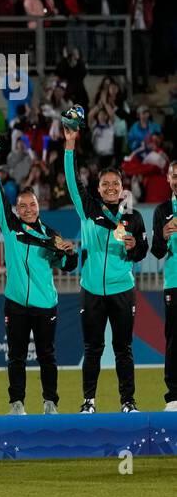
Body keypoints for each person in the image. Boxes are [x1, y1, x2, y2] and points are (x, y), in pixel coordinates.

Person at [0, 155, 79, 415]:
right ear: (16, 208)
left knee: (47, 357)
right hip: (15, 304)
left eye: (32, 204)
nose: (27, 209)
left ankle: (50, 402)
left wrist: (70, 254)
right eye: (22, 205)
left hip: (45, 304)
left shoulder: (51, 235)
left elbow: (69, 267)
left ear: (39, 206)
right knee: (16, 357)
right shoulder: (10, 226)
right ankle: (17, 404)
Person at [63, 126, 146, 413]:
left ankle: (128, 401)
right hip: (92, 291)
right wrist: (70, 144)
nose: (110, 187)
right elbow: (73, 181)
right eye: (105, 183)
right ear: (98, 188)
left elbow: (143, 253)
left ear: (122, 188)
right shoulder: (88, 208)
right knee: (93, 349)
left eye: (115, 183)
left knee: (124, 350)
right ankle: (89, 402)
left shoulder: (133, 218)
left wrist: (134, 246)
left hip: (123, 290)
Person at [150, 161, 177, 411]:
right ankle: (174, 396)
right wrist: (164, 235)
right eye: (174, 176)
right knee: (173, 339)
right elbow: (156, 251)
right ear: (168, 179)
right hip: (174, 283)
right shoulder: (162, 211)